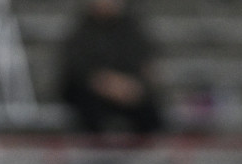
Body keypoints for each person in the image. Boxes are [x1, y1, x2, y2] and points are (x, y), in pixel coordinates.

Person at [58, 0, 163, 136]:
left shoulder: (131, 29)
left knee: (149, 110)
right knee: (89, 109)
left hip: (128, 90)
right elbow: (76, 68)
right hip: (91, 93)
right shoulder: (80, 31)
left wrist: (131, 86)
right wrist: (107, 84)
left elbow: (144, 62)